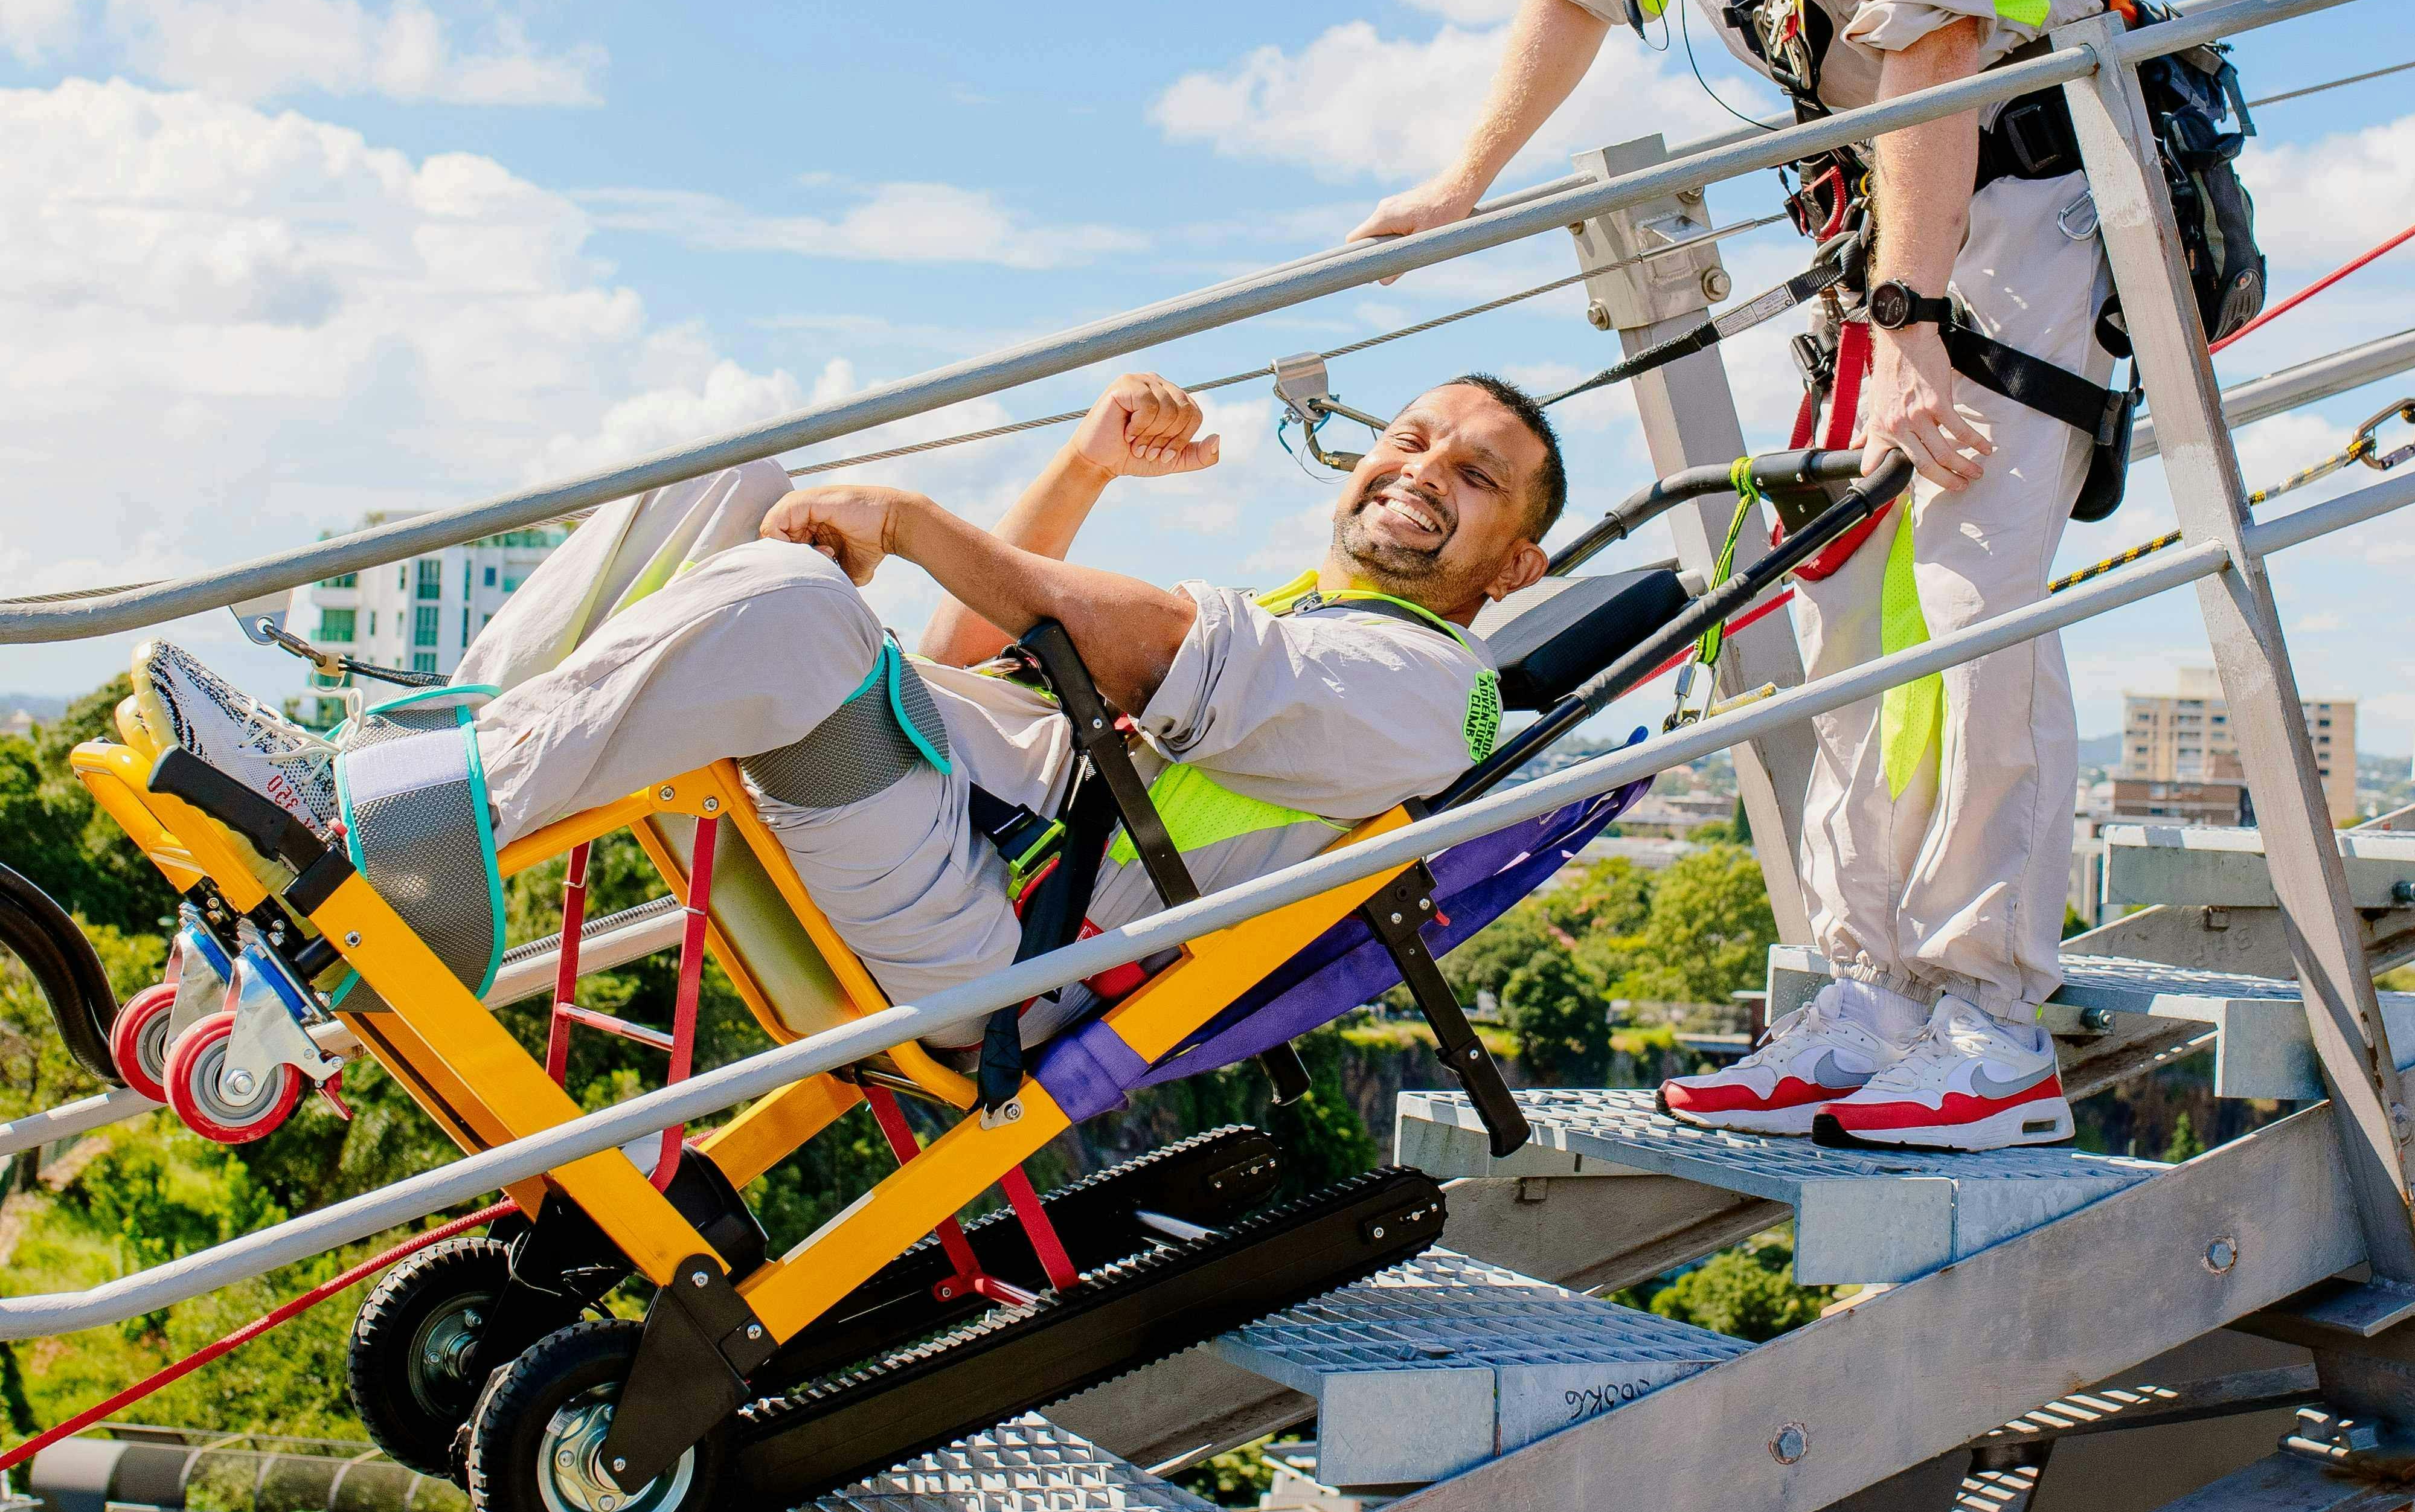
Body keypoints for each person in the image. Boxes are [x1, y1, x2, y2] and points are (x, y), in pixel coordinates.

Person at [1352, 0, 2109, 1152]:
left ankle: (1987, 1029)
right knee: (1844, 600)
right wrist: (1464, 178)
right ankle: (1864, 991)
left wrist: (1912, 324)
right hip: (1874, 217)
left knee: (1974, 589)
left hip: (2006, 193)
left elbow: (1930, 28)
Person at [126, 370, 1560, 1051]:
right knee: (740, 478)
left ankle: (366, 827)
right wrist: (1080, 467)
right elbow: (958, 658)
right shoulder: (1315, 621)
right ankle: (393, 788)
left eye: (1477, 475)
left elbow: (1132, 652)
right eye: (1412, 434)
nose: (1425, 467)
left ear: (1517, 564)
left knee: (809, 612)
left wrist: (915, 517)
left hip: (1005, 934)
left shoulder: (1435, 692)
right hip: (958, 843)